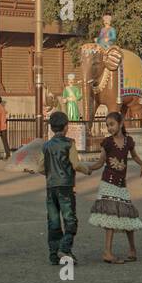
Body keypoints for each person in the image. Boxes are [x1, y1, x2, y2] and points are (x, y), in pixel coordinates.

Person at [86, 112, 142, 263]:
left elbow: (133, 155)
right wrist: (88, 168)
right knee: (110, 216)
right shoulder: (107, 142)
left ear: (120, 123)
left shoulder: (128, 142)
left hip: (121, 184)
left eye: (112, 124)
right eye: (107, 125)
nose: (109, 128)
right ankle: (107, 252)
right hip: (108, 182)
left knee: (128, 214)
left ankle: (132, 249)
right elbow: (101, 162)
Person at [38, 110, 89, 264]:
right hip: (65, 185)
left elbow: (41, 167)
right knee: (70, 220)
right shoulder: (69, 143)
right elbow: (76, 163)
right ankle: (65, 248)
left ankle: (53, 254)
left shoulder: (46, 146)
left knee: (53, 220)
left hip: (51, 186)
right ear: (66, 126)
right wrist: (87, 170)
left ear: (51, 127)